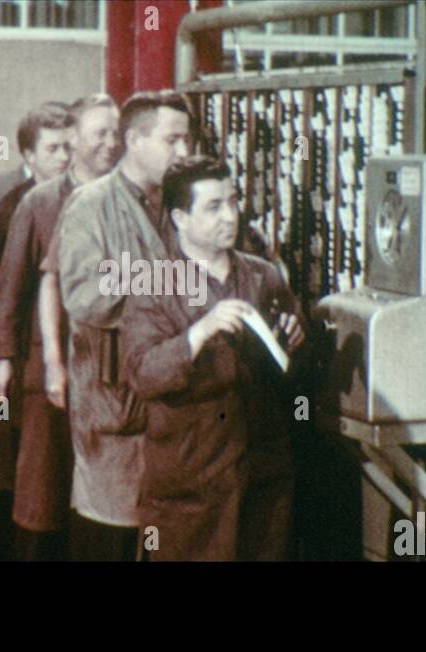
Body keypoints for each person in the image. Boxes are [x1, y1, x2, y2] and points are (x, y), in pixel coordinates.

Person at [120, 156, 304, 561]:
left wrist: (295, 340)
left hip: (261, 478)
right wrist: (197, 334)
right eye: (214, 206)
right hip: (191, 483)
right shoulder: (154, 284)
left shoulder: (264, 276)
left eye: (233, 202)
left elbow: (297, 379)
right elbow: (142, 374)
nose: (230, 216)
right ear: (180, 218)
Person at [48, 90, 193, 561]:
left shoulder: (180, 206)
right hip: (113, 404)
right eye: (173, 140)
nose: (183, 153)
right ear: (135, 140)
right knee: (109, 532)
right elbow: (85, 296)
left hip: (172, 400)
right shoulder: (89, 206)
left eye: (186, 141)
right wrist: (169, 285)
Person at [0, 93, 120, 561]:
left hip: (105, 373)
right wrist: (3, 357)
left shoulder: (120, 201)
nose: (110, 142)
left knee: (96, 498)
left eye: (115, 133)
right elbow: (11, 285)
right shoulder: (39, 202)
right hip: (46, 370)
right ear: (76, 139)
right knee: (41, 492)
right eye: (100, 133)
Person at [0, 101, 74, 560]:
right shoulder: (7, 202)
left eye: (69, 145)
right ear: (28, 153)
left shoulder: (77, 196)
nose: (63, 156)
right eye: (53, 148)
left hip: (47, 354)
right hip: (8, 357)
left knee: (40, 473)